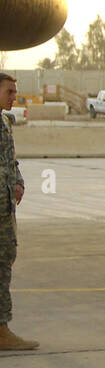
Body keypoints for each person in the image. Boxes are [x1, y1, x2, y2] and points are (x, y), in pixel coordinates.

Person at [0, 73, 36, 350]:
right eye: (10, 91)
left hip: (5, 208)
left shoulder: (5, 122)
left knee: (5, 259)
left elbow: (10, 160)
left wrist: (18, 182)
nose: (14, 96)